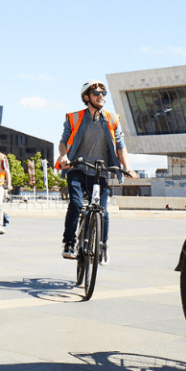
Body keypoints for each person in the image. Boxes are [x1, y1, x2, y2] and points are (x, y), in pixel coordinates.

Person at [59, 80, 135, 262]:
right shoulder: (74, 117)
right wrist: (64, 157)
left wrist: (127, 167)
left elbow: (121, 146)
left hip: (100, 172)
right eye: (96, 93)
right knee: (76, 204)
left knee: (102, 210)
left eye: (103, 93)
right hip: (77, 168)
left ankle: (102, 246)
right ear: (87, 97)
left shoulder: (112, 119)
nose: (101, 96)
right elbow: (63, 142)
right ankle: (69, 242)